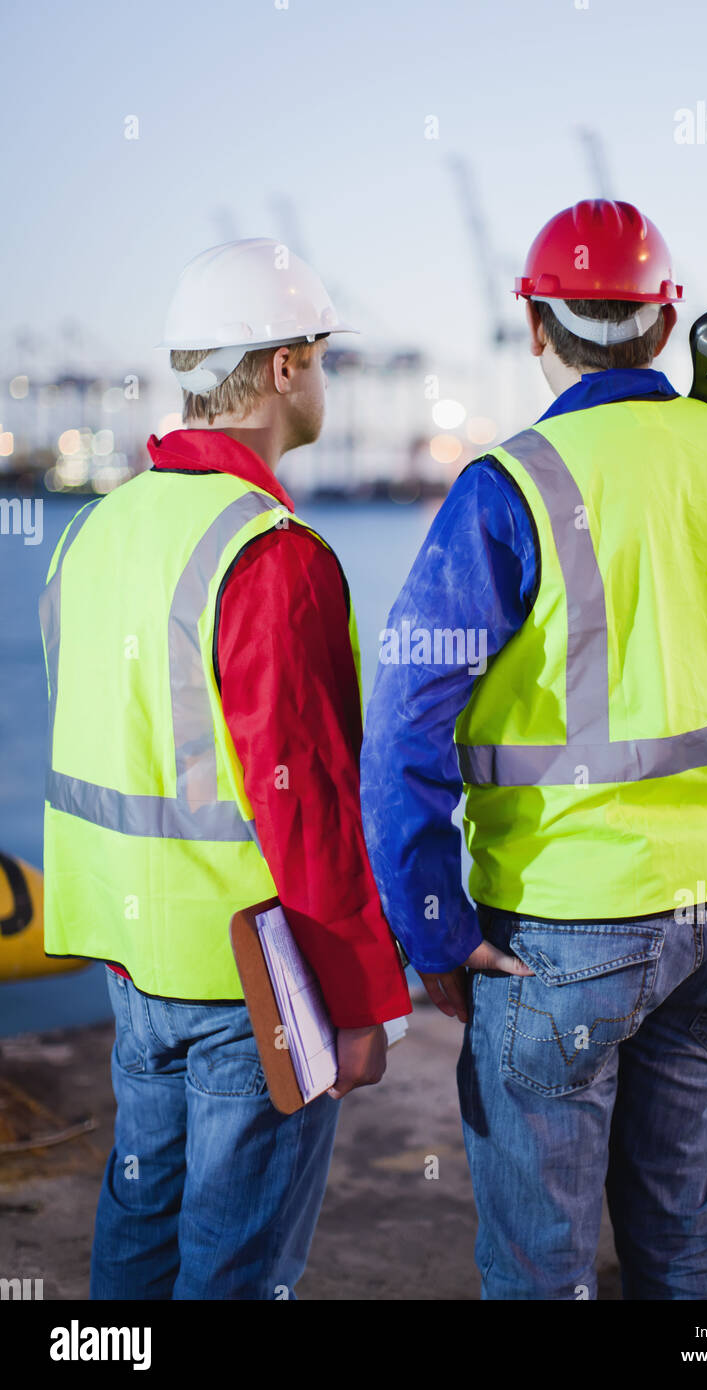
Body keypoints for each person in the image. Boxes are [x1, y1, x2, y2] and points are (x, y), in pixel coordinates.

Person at [360, 200, 707, 1300]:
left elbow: (402, 728)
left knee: (541, 1271)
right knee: (680, 1244)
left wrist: (430, 921)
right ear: (664, 330)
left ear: (535, 326)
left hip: (558, 924)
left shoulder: (508, 484)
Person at [39, 238, 411, 1300]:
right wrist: (358, 1003)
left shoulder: (92, 534)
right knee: (235, 1268)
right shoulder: (270, 551)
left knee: (138, 1233)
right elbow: (311, 809)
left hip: (127, 959)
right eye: (323, 358)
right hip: (253, 984)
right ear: (285, 368)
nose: (326, 381)